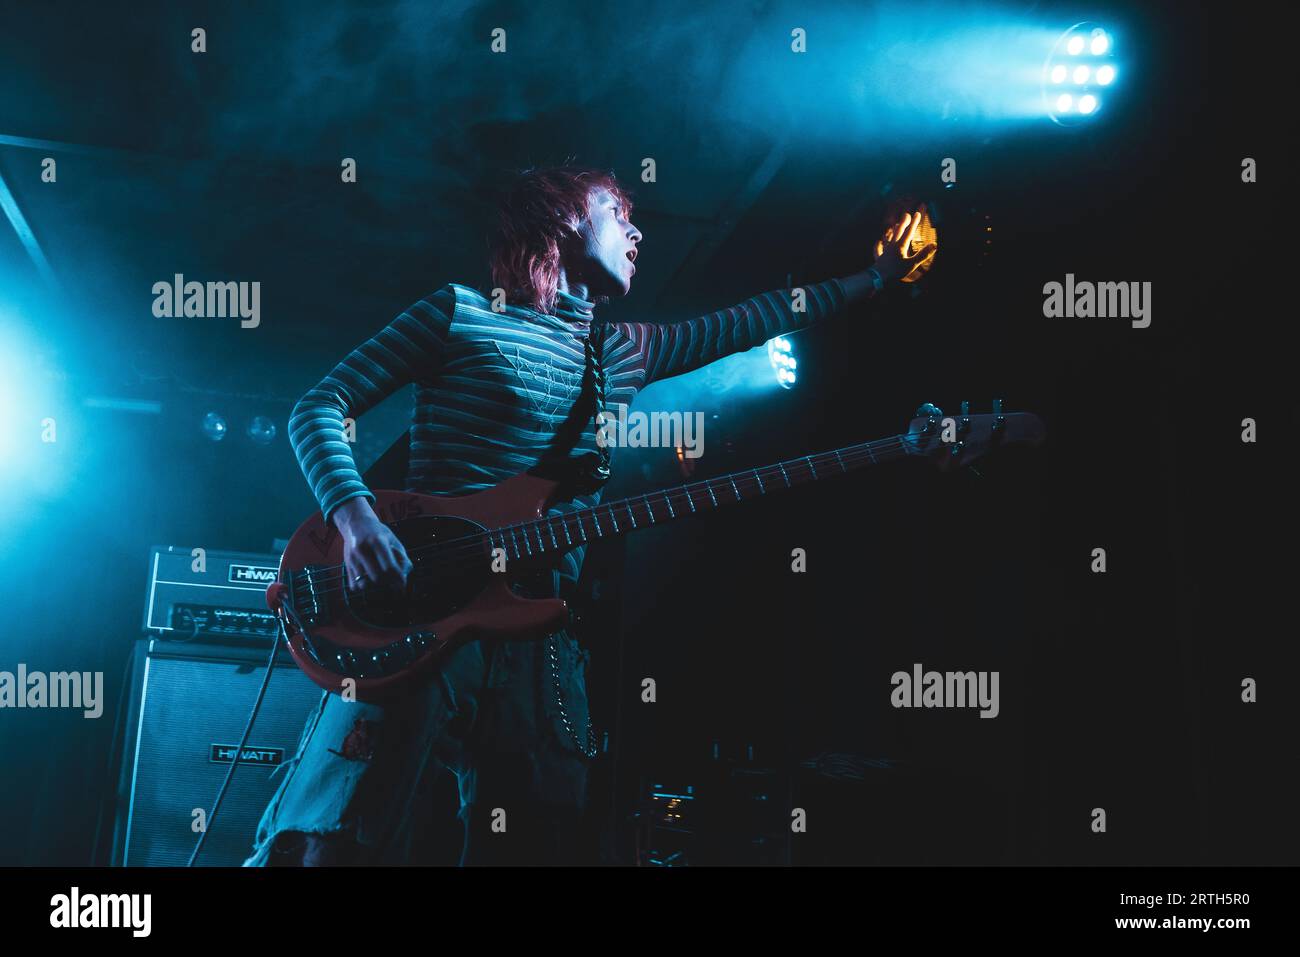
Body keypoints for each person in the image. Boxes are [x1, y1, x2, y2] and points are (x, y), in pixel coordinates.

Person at [243, 164, 935, 866]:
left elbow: (754, 317)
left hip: (538, 631)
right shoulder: (459, 312)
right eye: (618, 212)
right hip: (417, 610)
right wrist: (357, 522)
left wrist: (873, 279)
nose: (637, 229)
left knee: (537, 842)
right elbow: (318, 407)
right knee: (334, 841)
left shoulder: (623, 352)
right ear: (564, 224)